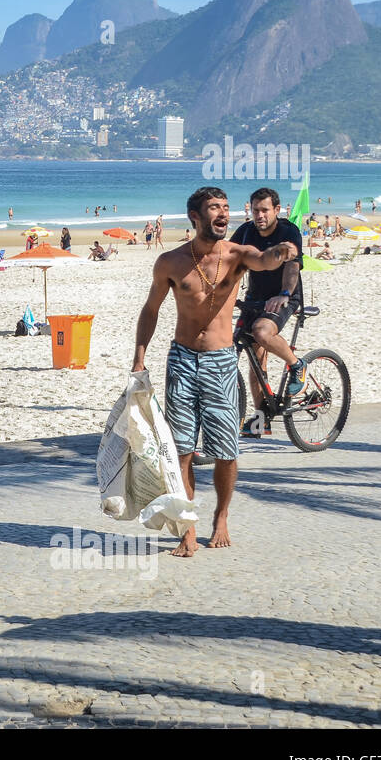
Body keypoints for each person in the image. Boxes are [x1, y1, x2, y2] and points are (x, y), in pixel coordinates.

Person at [132, 186, 297, 557]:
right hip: (182, 360)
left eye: (225, 207)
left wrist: (282, 252)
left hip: (221, 362)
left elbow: (265, 258)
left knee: (225, 449)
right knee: (183, 450)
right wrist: (139, 356)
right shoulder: (171, 262)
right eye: (213, 208)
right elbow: (151, 310)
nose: (222, 213)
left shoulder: (238, 255)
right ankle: (187, 525)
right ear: (195, 216)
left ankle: (221, 516)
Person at [229, 187, 307, 438]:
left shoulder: (288, 231)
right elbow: (224, 260)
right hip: (254, 299)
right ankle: (262, 418)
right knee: (254, 360)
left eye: (264, 210)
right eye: (255, 210)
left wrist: (284, 293)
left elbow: (292, 266)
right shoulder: (245, 232)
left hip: (284, 297)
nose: (259, 215)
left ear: (277, 210)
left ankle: (297, 365)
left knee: (262, 332)